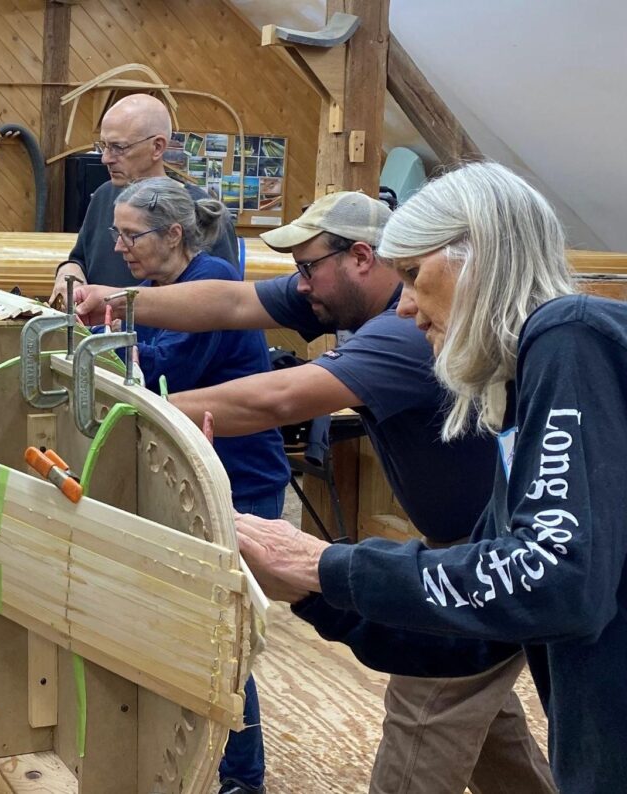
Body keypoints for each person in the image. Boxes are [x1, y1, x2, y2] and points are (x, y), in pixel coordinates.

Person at [74, 191, 555, 794]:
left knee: (424, 720)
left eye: (308, 268)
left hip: (481, 558)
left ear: (361, 258)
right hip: (466, 540)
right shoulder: (341, 292)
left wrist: (134, 410)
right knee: (480, 711)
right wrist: (118, 300)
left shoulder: (404, 332)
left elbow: (277, 400)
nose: (299, 285)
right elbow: (232, 300)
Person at [233, 161, 627, 793]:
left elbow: (559, 577)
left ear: (481, 258)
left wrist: (327, 565)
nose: (406, 307)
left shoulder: (569, 335)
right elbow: (467, 646)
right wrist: (314, 590)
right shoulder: (517, 402)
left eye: (414, 275)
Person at [112, 177, 289, 793]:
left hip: (240, 479)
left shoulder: (209, 283)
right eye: (116, 234)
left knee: (227, 641)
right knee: (199, 631)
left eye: (131, 235)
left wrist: (105, 336)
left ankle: (243, 779)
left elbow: (163, 372)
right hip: (194, 473)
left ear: (173, 234)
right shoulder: (160, 288)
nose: (120, 247)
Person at [49, 93, 239, 306]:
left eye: (118, 147)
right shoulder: (103, 196)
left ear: (157, 147)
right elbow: (80, 259)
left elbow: (224, 302)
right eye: (104, 146)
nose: (105, 158)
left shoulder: (204, 213)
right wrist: (68, 271)